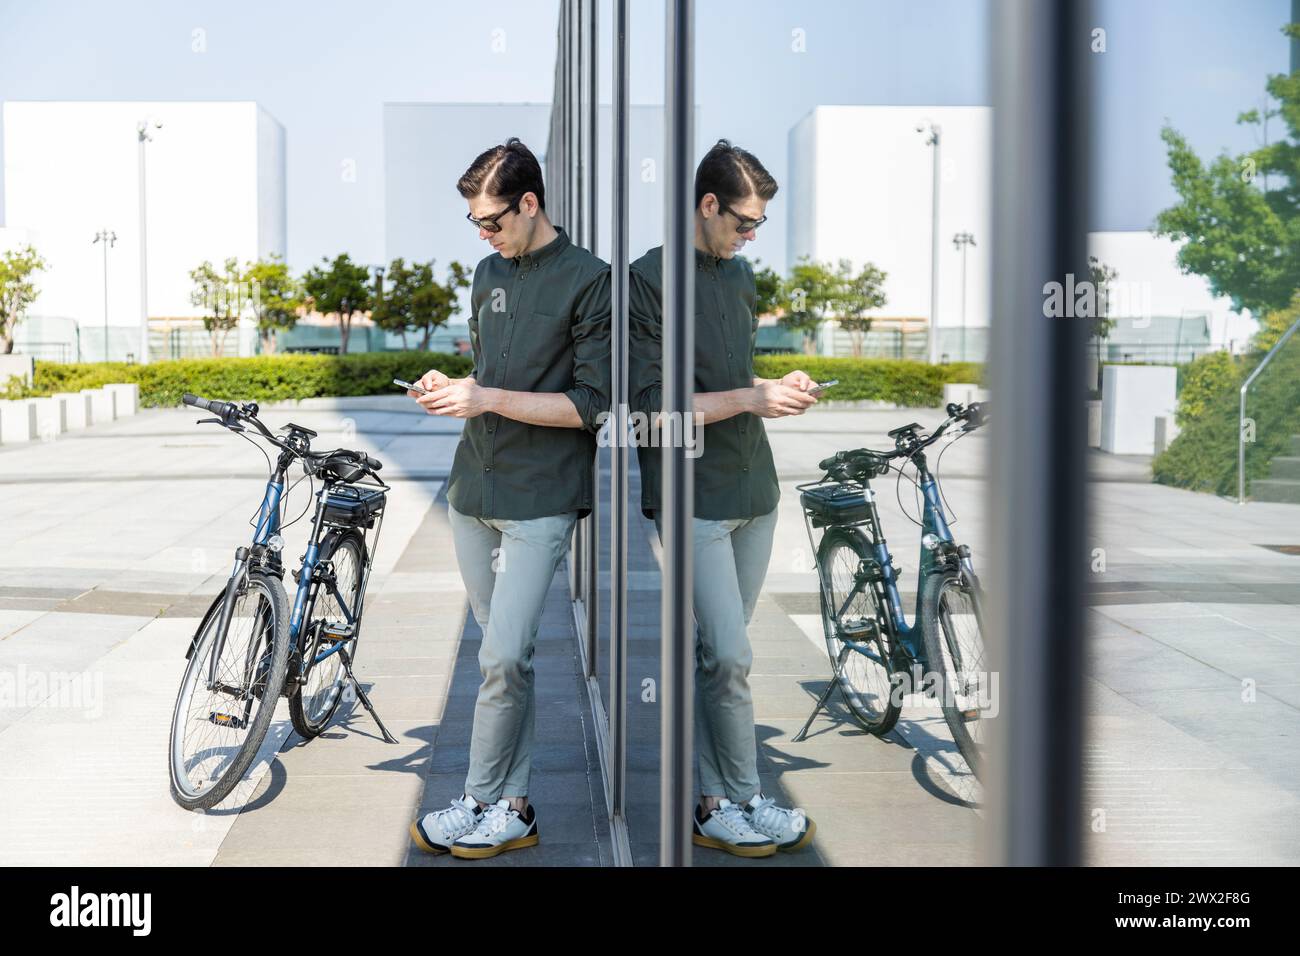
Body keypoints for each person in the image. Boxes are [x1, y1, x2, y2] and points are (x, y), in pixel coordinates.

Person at [407, 138, 611, 860]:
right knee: (506, 660)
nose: (483, 234)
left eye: (492, 219)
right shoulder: (487, 271)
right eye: (473, 223)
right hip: (474, 486)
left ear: (530, 203)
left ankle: (480, 795)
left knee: (500, 657)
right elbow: (489, 367)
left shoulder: (593, 281)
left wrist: (486, 395)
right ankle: (513, 805)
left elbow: (593, 405)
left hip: (542, 496)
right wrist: (452, 384)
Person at [629, 139, 818, 857]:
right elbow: (648, 406)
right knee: (731, 655)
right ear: (707, 204)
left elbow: (738, 379)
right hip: (691, 494)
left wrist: (779, 388)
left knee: (722, 657)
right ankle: (730, 799)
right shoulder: (647, 279)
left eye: (759, 224)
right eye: (745, 221)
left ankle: (725, 795)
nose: (751, 236)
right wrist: (749, 396)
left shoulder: (739, 281)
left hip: (753, 488)